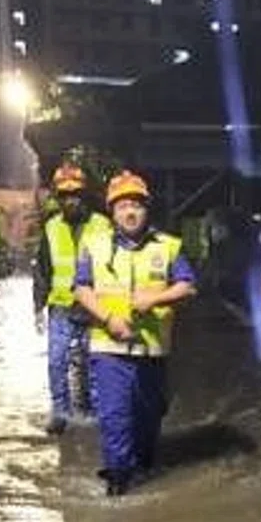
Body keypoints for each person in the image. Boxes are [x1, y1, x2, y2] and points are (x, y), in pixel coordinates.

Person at [75, 170, 199, 496]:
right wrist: (108, 318)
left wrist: (154, 298)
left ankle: (139, 465)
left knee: (149, 418)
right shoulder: (94, 245)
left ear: (147, 209)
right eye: (122, 206)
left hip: (152, 351)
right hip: (108, 348)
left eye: (136, 205)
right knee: (114, 416)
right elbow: (82, 289)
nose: (130, 212)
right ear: (112, 212)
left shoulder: (168, 247)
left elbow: (188, 287)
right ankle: (118, 482)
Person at [31, 161, 111, 434]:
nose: (70, 200)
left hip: (95, 307)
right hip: (61, 306)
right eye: (64, 195)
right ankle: (60, 412)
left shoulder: (103, 225)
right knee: (57, 361)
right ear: (57, 196)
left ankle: (94, 412)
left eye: (75, 193)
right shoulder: (51, 227)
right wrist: (37, 307)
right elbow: (42, 268)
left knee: (94, 361)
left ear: (84, 194)